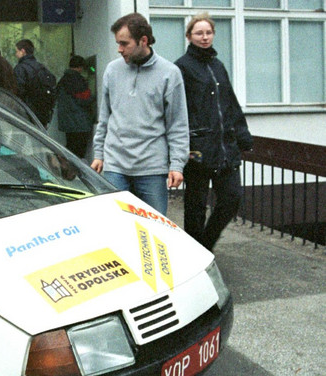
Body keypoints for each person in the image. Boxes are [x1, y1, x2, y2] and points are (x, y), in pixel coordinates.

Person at [91, 13, 189, 216]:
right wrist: (99, 153)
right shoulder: (112, 70)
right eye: (118, 43)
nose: (119, 49)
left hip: (152, 168)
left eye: (124, 43)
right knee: (114, 225)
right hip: (115, 165)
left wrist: (177, 164)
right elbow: (105, 117)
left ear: (143, 40)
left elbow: (177, 124)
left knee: (152, 230)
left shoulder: (170, 73)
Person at [175, 12, 253, 251]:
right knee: (196, 205)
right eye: (199, 33)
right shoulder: (182, 67)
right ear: (189, 36)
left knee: (232, 198)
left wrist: (242, 135)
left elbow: (230, 102)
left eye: (208, 32)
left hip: (225, 147)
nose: (205, 37)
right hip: (198, 148)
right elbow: (177, 110)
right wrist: (182, 143)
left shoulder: (218, 66)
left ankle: (205, 246)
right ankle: (194, 253)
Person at [56, 55, 94, 158]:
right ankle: (75, 173)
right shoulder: (78, 80)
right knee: (79, 154)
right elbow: (85, 100)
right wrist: (93, 97)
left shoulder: (62, 80)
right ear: (80, 67)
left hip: (68, 124)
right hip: (79, 123)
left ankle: (67, 172)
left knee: (71, 151)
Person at [13, 39, 55, 126]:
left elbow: (19, 90)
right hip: (43, 113)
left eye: (17, 51)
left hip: (28, 112)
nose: (16, 54)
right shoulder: (41, 67)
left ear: (23, 51)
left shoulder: (20, 68)